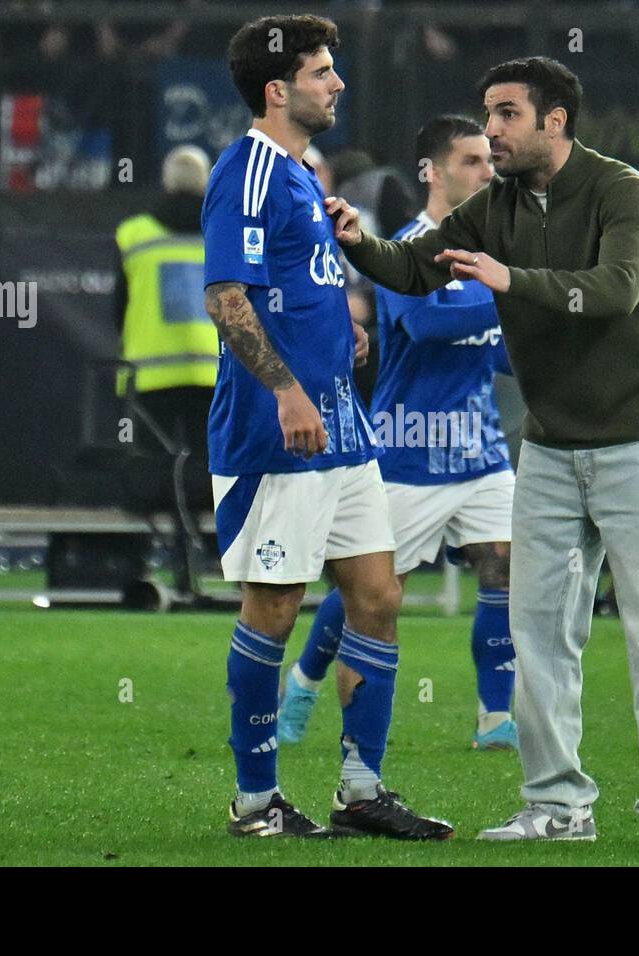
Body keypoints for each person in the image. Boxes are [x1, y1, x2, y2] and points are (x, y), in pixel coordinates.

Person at [326, 56, 639, 848]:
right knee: (536, 628)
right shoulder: (493, 206)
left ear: (555, 121)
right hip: (549, 446)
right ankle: (558, 806)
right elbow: (413, 268)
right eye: (488, 115)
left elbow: (612, 289)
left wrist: (510, 278)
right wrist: (359, 241)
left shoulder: (621, 191)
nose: (491, 131)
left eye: (506, 114)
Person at [202, 14, 451, 840]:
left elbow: (286, 281)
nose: (336, 83)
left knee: (377, 598)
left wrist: (340, 318)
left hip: (342, 427)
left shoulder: (305, 174)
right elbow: (227, 298)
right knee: (273, 606)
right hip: (278, 432)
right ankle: (254, 801)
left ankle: (361, 787)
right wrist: (285, 389)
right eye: (320, 72)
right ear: (278, 91)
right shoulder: (243, 172)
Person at [277, 114, 519, 751]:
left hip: (481, 450)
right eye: (471, 160)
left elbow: (494, 352)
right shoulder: (413, 248)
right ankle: (303, 680)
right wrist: (518, 296)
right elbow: (429, 327)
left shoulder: (494, 256)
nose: (486, 172)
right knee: (373, 592)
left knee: (506, 574)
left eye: (489, 160)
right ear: (432, 172)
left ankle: (496, 717)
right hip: (410, 452)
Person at [115, 144, 219, 456]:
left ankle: (152, 502)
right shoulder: (223, 231)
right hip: (213, 368)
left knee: (151, 460)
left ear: (166, 182)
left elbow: (119, 305)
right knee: (209, 459)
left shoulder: (134, 234)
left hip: (151, 371)